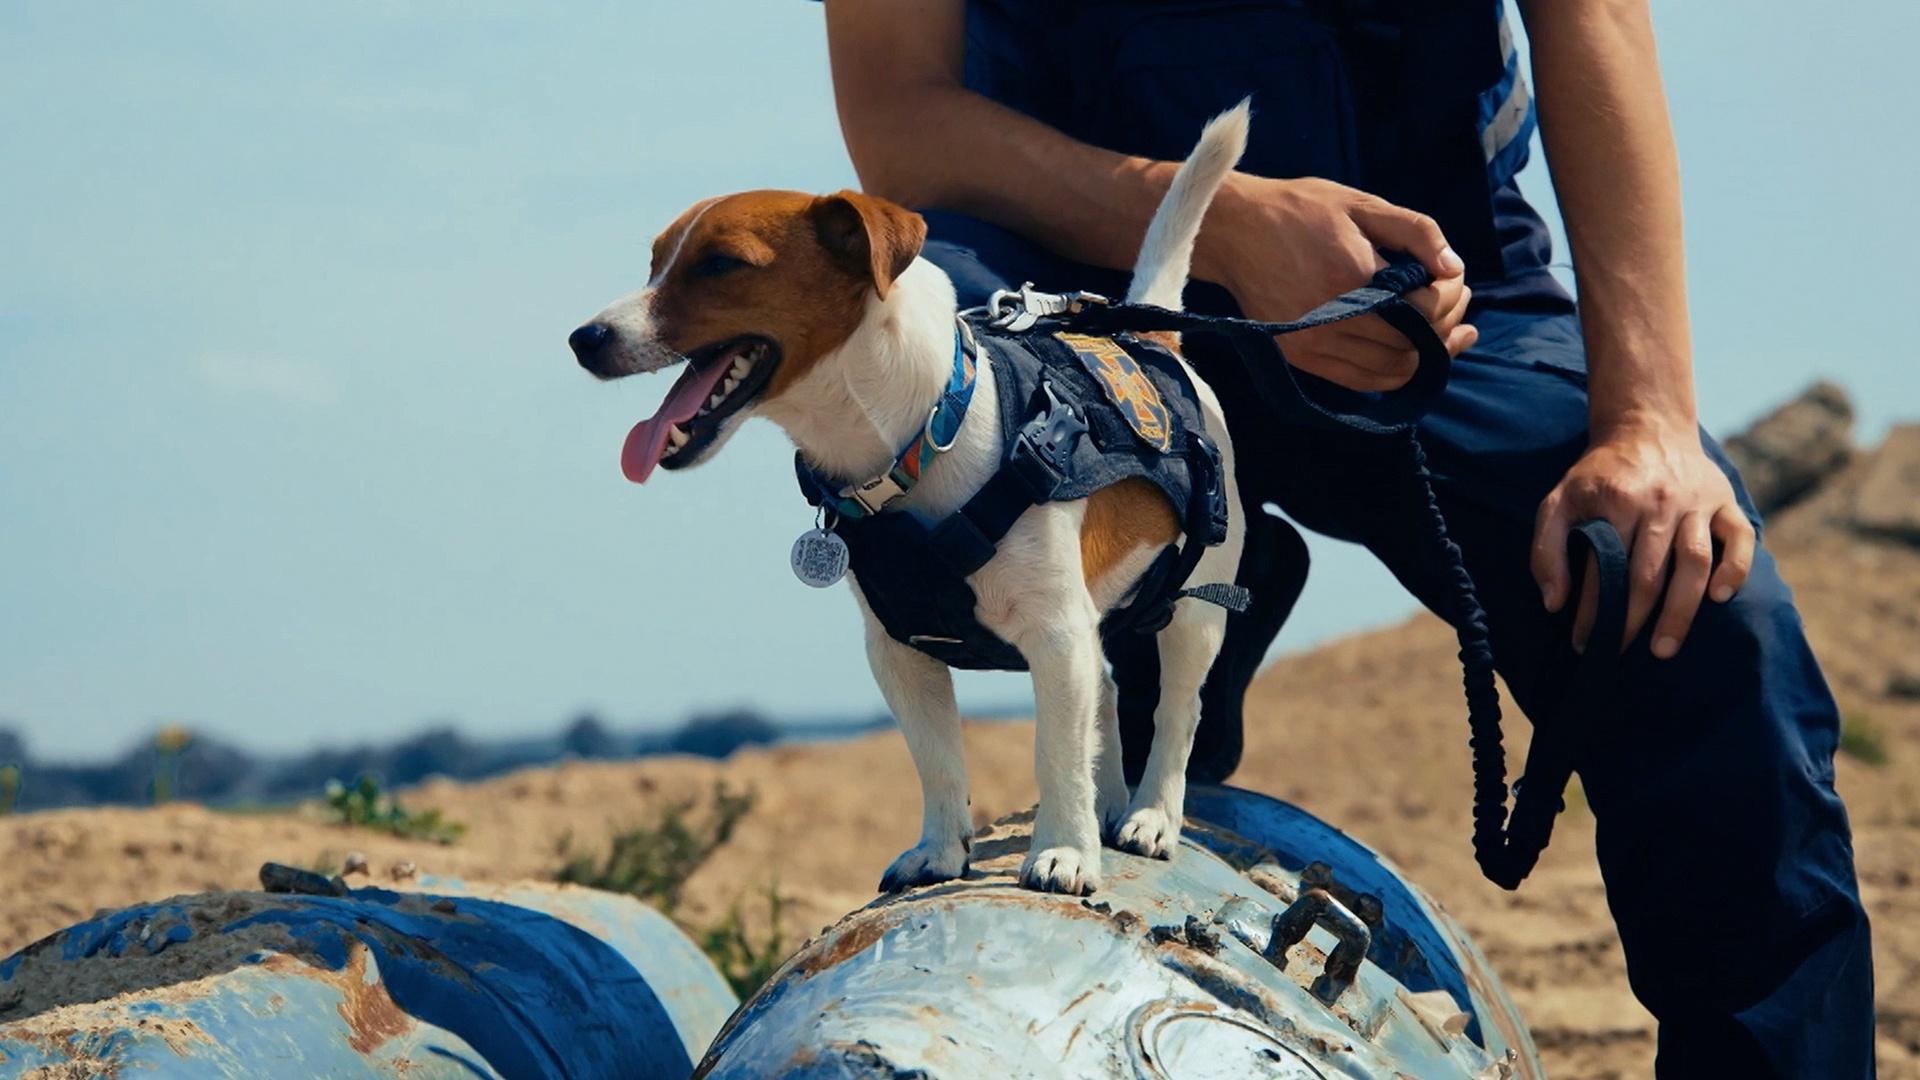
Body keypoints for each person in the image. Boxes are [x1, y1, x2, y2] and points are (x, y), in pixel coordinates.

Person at [812, 1, 1874, 1074]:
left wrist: (1648, 418)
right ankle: (1185, 576)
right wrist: (1219, 222)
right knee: (928, 427)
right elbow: (901, 120)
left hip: (1434, 285)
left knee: (1691, 604)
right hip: (1078, 305)